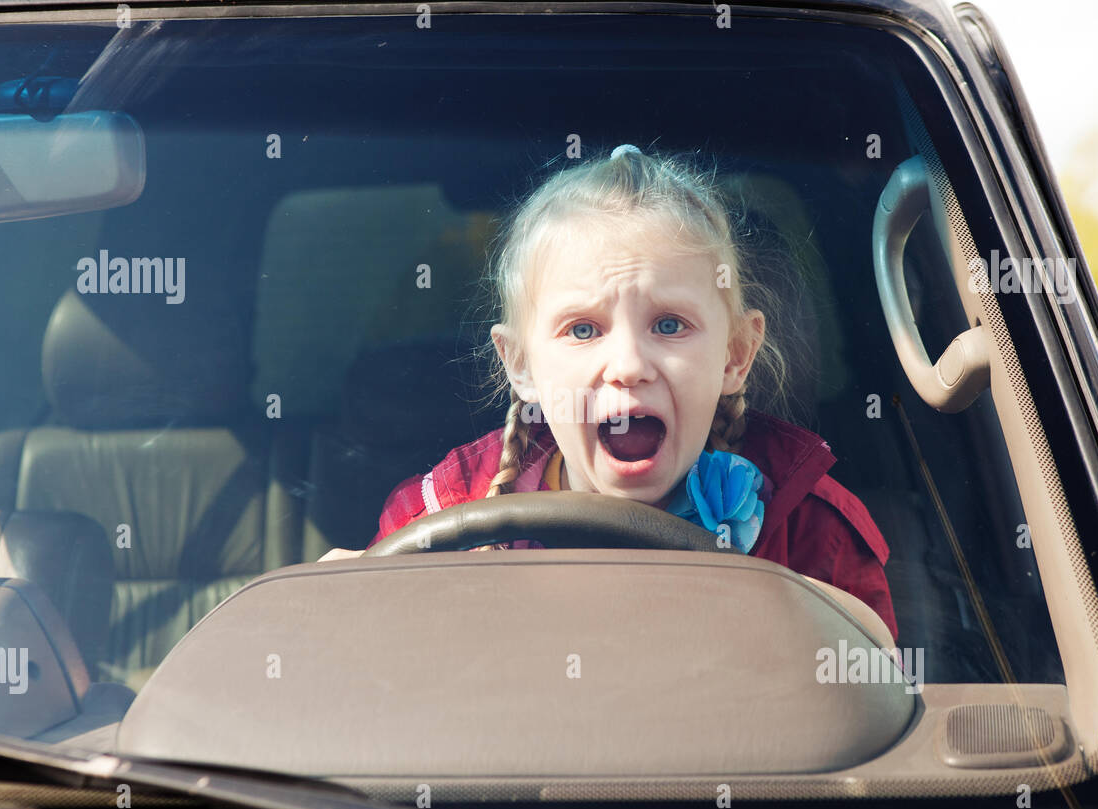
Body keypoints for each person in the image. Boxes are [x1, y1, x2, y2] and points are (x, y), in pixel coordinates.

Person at [321, 144, 898, 643]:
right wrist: (332, 622)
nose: (627, 366)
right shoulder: (437, 524)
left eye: (669, 325)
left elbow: (876, 724)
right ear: (522, 367)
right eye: (583, 330)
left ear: (734, 356)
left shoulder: (812, 535)